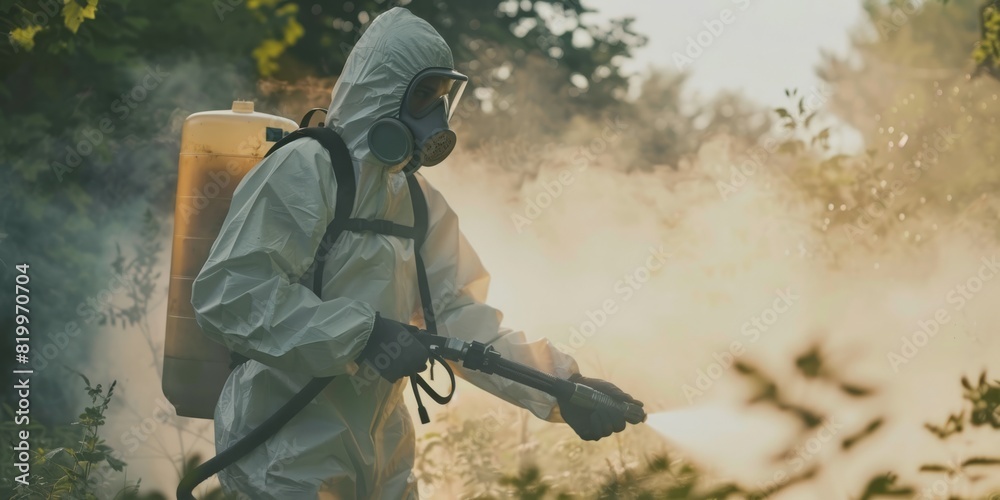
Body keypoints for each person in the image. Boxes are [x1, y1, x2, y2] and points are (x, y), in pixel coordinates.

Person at [190, 7, 642, 499]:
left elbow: (460, 320)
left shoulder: (420, 201)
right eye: (423, 96)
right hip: (282, 457)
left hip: (383, 454)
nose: (436, 117)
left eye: (442, 99)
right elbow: (231, 295)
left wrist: (563, 386)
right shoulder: (306, 169)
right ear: (380, 90)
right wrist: (362, 336)